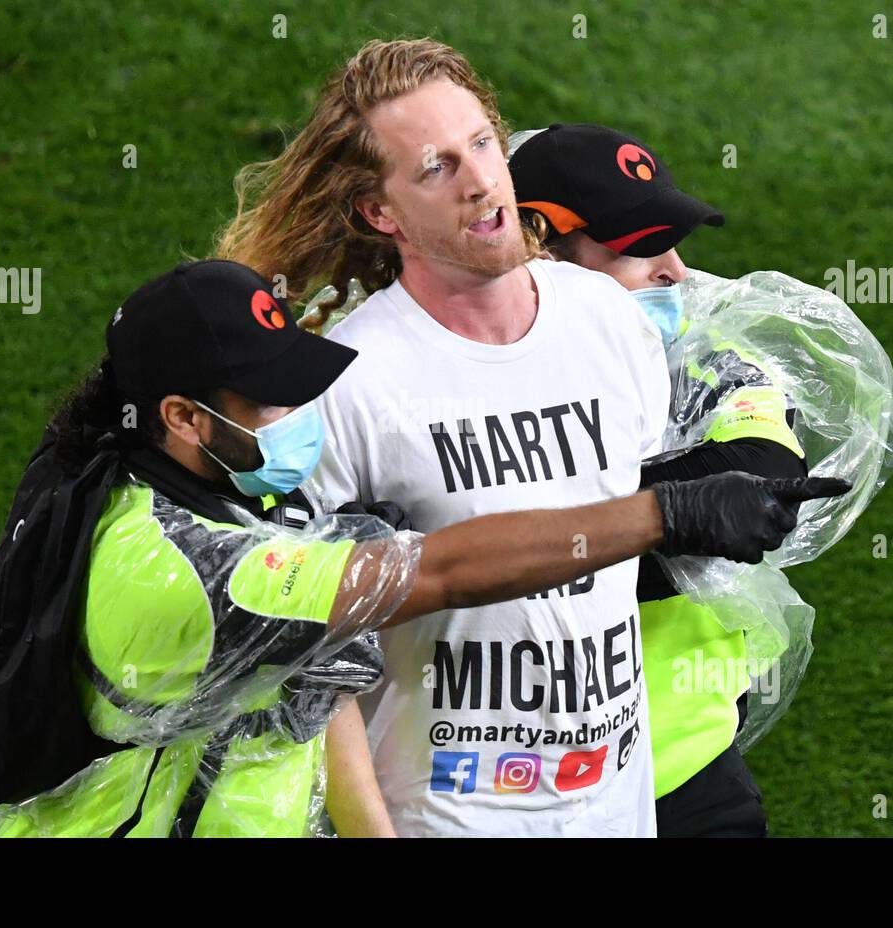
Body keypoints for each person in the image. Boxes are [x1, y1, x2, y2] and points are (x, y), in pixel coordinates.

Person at [0, 258, 844, 839]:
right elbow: (439, 572)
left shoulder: (161, 484)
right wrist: (669, 513)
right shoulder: (184, 568)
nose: (309, 415)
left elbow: (311, 674)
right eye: (276, 399)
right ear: (182, 416)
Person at [215, 38, 822, 837]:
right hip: (451, 816)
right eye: (435, 167)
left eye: (480, 146)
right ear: (379, 212)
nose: (476, 182)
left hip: (619, 809)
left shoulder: (606, 321)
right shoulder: (347, 387)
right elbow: (306, 660)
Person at [508, 123, 810, 836]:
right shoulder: (441, 374)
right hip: (499, 789)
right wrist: (664, 517)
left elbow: (762, 487)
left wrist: (545, 532)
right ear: (535, 250)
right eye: (637, 248)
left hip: (684, 776)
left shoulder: (711, 362)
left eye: (671, 243)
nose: (674, 269)